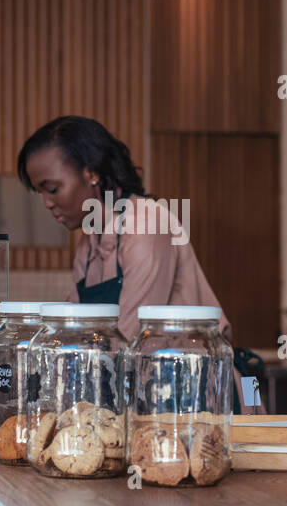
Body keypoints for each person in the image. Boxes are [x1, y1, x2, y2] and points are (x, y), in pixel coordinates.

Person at [18, 116, 262, 410]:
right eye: (40, 192)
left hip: (196, 393)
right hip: (146, 395)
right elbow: (74, 331)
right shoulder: (88, 244)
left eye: (52, 188)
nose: (46, 202)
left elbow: (127, 341)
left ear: (91, 173)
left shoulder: (147, 225)